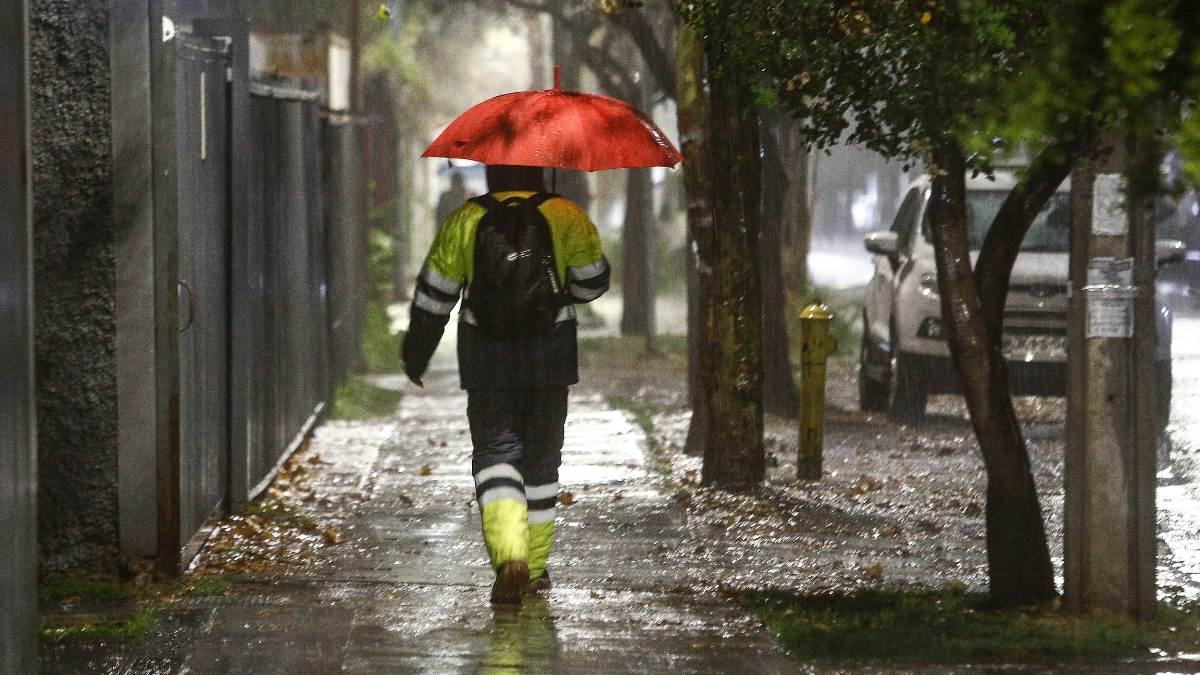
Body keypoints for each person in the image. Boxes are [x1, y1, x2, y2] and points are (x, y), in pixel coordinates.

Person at [401, 164, 611, 603]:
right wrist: (558, 288)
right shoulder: (565, 214)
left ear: (491, 170)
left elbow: (434, 295)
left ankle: (508, 555)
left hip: (486, 355)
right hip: (550, 354)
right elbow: (593, 283)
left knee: (496, 451)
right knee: (541, 461)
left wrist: (416, 354)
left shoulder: (465, 219)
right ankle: (533, 570)